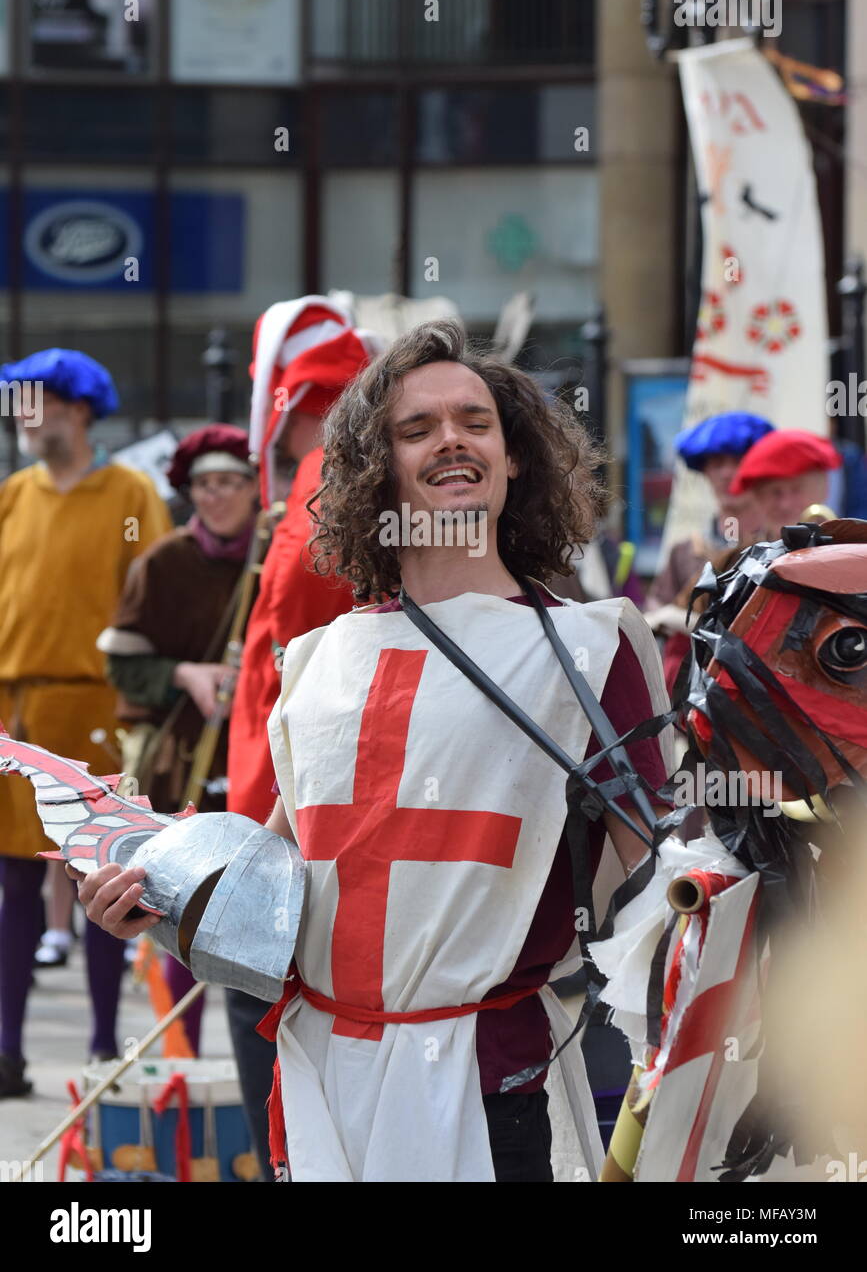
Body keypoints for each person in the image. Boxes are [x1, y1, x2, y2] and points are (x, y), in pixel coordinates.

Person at [77, 320, 675, 1183]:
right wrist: (157, 906)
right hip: (320, 1083)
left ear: (514, 461)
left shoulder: (586, 652)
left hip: (485, 1079)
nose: (451, 442)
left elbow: (660, 882)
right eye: (415, 428)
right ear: (374, 469)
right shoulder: (320, 659)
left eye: (476, 422)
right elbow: (281, 892)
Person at [224, 297, 384, 1174]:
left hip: (287, 811)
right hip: (280, 796)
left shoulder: (323, 480)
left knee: (269, 1023)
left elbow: (315, 664)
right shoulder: (327, 480)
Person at [0, 348, 171, 1098]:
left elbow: (160, 604)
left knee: (106, 877)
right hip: (17, 711)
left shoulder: (131, 492)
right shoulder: (11, 496)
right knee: (12, 890)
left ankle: (106, 1051)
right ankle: (6, 1051)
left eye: (31, 401)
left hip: (101, 711)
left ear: (74, 407)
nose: (20, 417)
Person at [96, 425, 259, 1055]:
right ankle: (182, 1058)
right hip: (183, 763)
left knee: (249, 904)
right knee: (180, 908)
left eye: (229, 483)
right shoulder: (160, 561)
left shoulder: (274, 560)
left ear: (251, 490)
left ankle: (256, 1060)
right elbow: (122, 663)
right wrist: (183, 676)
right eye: (203, 485)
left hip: (255, 760)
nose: (215, 497)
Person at [646, 411, 773, 694]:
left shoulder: (780, 545)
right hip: (694, 703)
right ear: (704, 470)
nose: (727, 472)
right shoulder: (685, 551)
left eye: (738, 460)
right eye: (717, 462)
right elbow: (654, 622)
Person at [729, 427, 842, 533]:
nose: (785, 505)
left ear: (823, 489)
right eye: (775, 492)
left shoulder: (847, 550)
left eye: (796, 490)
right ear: (757, 498)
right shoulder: (747, 553)